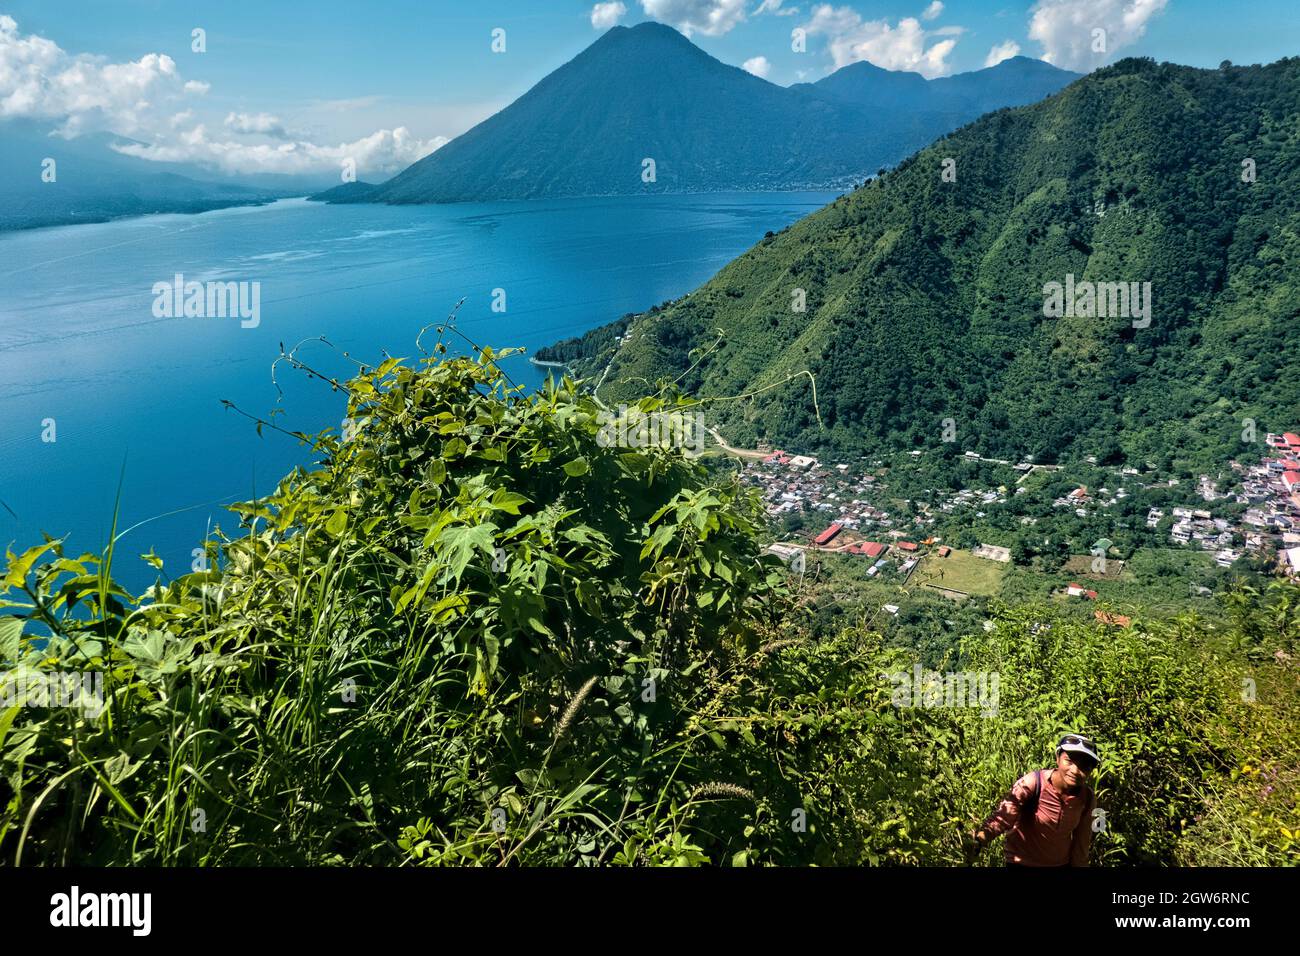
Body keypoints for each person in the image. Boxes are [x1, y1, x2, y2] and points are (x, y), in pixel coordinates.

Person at [965, 733, 1100, 867]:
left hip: (1059, 864)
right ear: (1057, 758)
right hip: (1021, 862)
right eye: (1069, 761)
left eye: (1084, 766)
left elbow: (1081, 843)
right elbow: (1004, 817)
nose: (1075, 770)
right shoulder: (1034, 783)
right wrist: (979, 840)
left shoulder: (1087, 798)